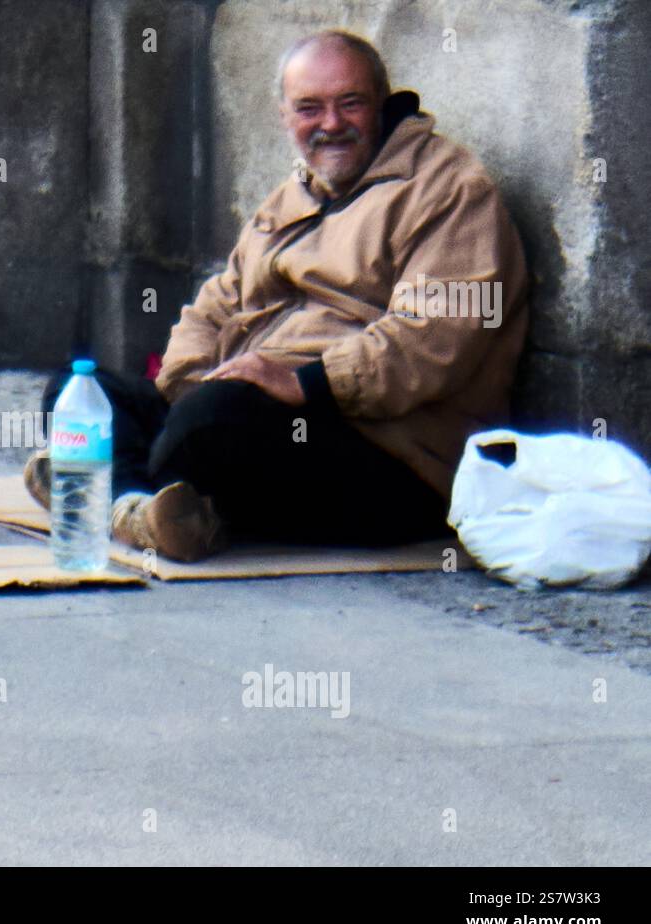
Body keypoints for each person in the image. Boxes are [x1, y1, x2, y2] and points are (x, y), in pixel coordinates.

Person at [26, 29, 530, 562]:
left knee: (213, 421)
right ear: (285, 118)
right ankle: (142, 507)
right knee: (80, 391)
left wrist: (304, 383)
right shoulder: (295, 196)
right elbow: (217, 303)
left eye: (350, 104)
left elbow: (433, 341)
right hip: (256, 414)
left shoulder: (449, 189)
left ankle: (101, 488)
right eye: (309, 108)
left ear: (381, 104)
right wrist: (188, 382)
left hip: (393, 455)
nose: (330, 124)